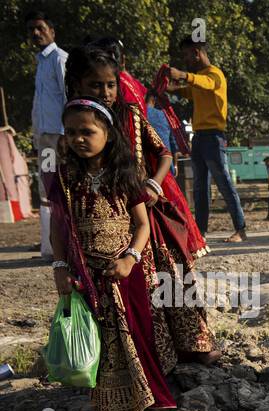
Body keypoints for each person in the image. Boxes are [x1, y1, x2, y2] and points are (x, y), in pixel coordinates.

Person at [68, 45, 217, 367]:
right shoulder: (74, 127)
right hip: (99, 227)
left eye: (110, 85)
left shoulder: (130, 114)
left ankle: (192, 347)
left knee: (168, 281)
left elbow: (164, 153)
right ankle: (134, 364)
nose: (105, 92)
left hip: (142, 214)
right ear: (78, 85)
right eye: (96, 85)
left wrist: (153, 184)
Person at [50, 99, 174, 411]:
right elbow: (58, 228)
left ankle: (146, 402)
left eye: (87, 131)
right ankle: (109, 402)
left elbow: (142, 225)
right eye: (71, 132)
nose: (78, 139)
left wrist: (130, 259)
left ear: (107, 132)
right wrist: (60, 268)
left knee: (136, 334)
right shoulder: (64, 178)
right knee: (101, 338)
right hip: (86, 274)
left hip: (124, 272)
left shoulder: (125, 174)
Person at [164, 37, 245, 242]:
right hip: (200, 137)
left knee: (224, 183)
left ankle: (241, 229)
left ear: (197, 53)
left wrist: (183, 75)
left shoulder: (214, 74)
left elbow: (206, 84)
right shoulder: (199, 77)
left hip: (214, 137)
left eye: (187, 54)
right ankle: (200, 232)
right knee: (200, 187)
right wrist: (174, 89)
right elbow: (192, 91)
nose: (185, 59)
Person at [27, 10, 68, 260]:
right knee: (47, 190)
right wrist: (36, 138)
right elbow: (38, 105)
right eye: (32, 29)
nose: (36, 33)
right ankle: (50, 247)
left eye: (40, 28)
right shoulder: (41, 62)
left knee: (61, 188)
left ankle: (64, 247)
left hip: (59, 137)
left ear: (52, 31)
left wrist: (66, 134)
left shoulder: (59, 59)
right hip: (45, 138)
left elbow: (68, 97)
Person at [143, 90, 177, 167]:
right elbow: (173, 144)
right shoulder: (165, 116)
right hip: (166, 165)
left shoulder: (139, 113)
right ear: (154, 100)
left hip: (147, 163)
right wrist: (175, 165)